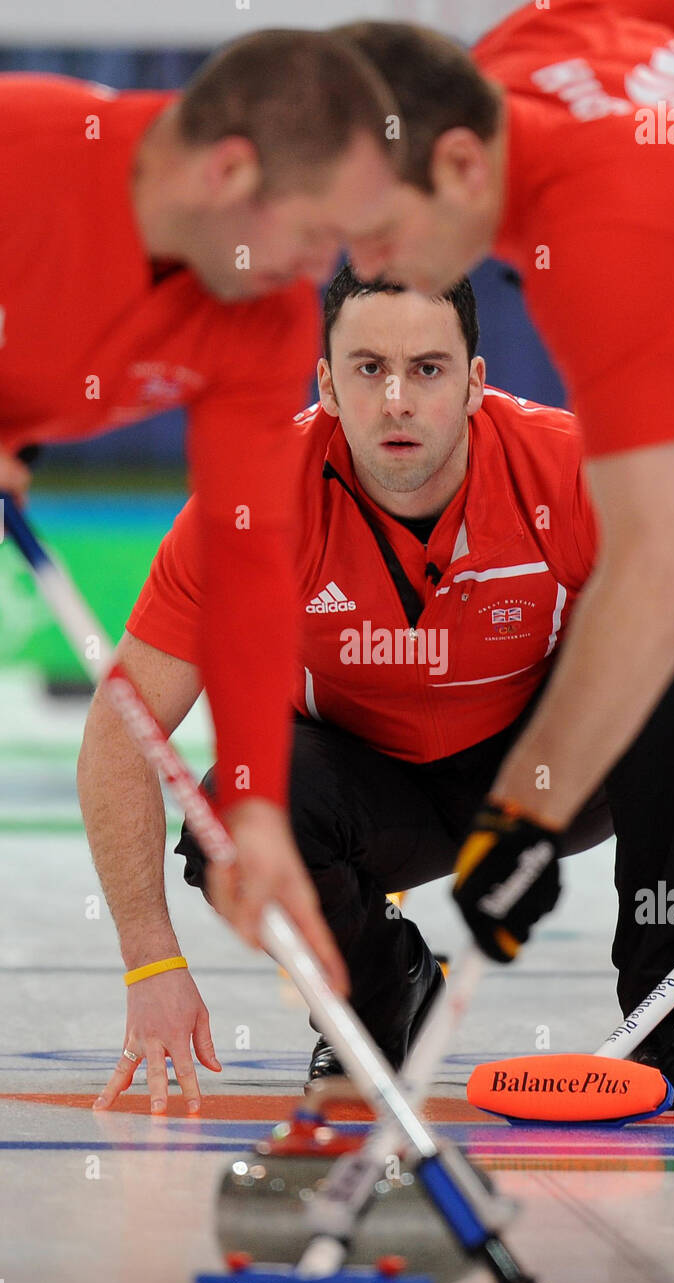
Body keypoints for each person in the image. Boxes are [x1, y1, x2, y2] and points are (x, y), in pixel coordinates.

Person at [79, 268, 674, 1114]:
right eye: (368, 369)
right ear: (325, 384)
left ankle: (673, 1015)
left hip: (545, 776)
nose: (397, 400)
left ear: (477, 381)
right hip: (368, 788)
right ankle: (382, 995)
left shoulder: (580, 468)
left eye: (428, 369)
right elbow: (121, 731)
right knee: (232, 818)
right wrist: (151, 962)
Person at [327, 1, 674, 974]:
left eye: (372, 230)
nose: (361, 263)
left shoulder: (603, 251)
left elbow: (653, 577)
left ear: (455, 167)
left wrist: (526, 818)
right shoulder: (528, 47)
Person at [0, 30, 405, 992]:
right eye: (315, 232)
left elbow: (250, 561)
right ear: (230, 171)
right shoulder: (23, 149)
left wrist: (258, 805)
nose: (321, 268)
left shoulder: (260, 311)